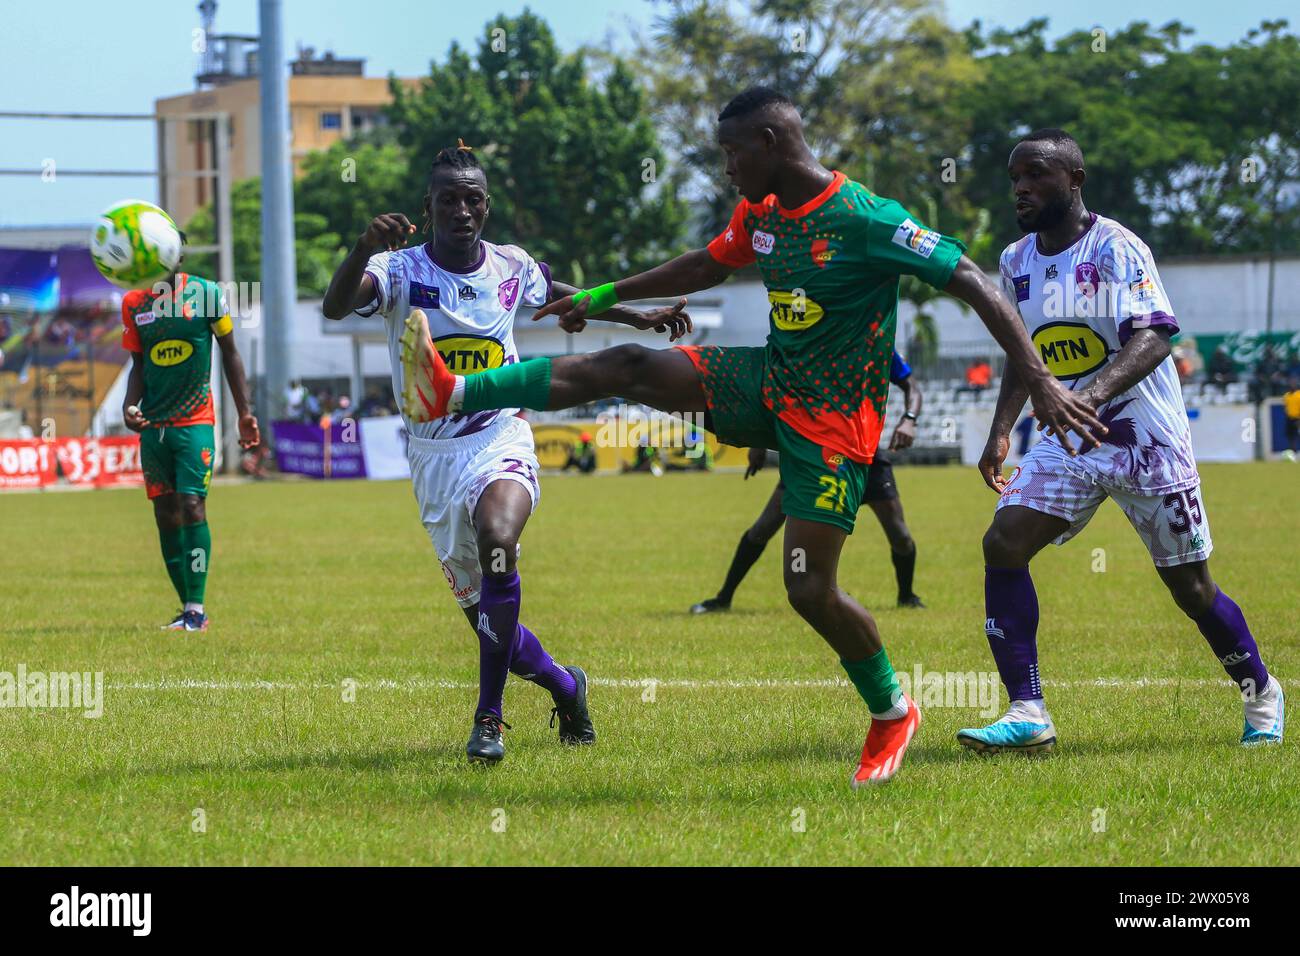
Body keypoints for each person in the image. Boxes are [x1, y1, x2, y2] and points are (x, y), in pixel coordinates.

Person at [397, 89, 1104, 786]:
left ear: (769, 144)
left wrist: (1039, 381)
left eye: (733, 153)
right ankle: (453, 389)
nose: (728, 168)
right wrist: (600, 296)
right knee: (627, 366)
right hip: (767, 381)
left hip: (833, 424)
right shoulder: (763, 211)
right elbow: (707, 265)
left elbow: (973, 279)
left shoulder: (867, 219)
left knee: (807, 588)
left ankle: (892, 710)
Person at [320, 141, 689, 764]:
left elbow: (563, 294)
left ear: (485, 207)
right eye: (447, 200)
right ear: (429, 206)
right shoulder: (399, 270)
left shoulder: (511, 266)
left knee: (498, 534)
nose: (461, 210)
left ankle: (487, 720)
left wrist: (633, 317)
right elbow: (335, 306)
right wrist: (363, 246)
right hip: (433, 459)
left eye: (472, 199)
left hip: (499, 440)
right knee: (500, 634)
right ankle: (566, 687)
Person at [960, 128, 1284, 754]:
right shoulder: (1015, 259)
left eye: (1035, 175)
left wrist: (1090, 394)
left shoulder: (1117, 248)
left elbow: (1156, 336)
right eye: (1014, 179)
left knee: (1190, 588)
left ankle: (1261, 692)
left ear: (1074, 180)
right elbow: (1021, 354)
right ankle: (1028, 711)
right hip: (1069, 438)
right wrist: (1003, 428)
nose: (1020, 189)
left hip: (1146, 438)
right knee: (1003, 543)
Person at [691, 350, 925, 613]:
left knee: (900, 536)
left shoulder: (873, 340)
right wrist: (757, 443)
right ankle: (723, 599)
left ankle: (907, 597)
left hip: (863, 455)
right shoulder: (808, 340)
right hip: (814, 455)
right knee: (763, 527)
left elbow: (911, 385)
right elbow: (773, 392)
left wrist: (909, 420)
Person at [121, 237, 260, 632]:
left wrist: (245, 413)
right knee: (164, 512)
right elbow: (138, 365)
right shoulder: (134, 303)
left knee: (192, 506)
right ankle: (187, 608)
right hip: (153, 429)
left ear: (179, 255)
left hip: (195, 423)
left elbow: (230, 352)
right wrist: (129, 406)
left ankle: (196, 609)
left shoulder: (206, 294)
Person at [1284, 376, 1300, 462]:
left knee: (1296, 437)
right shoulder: (1286, 396)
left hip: (1298, 418)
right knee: (1290, 437)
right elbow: (1286, 407)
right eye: (1291, 383)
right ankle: (1293, 455)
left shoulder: (1299, 395)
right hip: (1289, 418)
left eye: (1294, 383)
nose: (1292, 385)